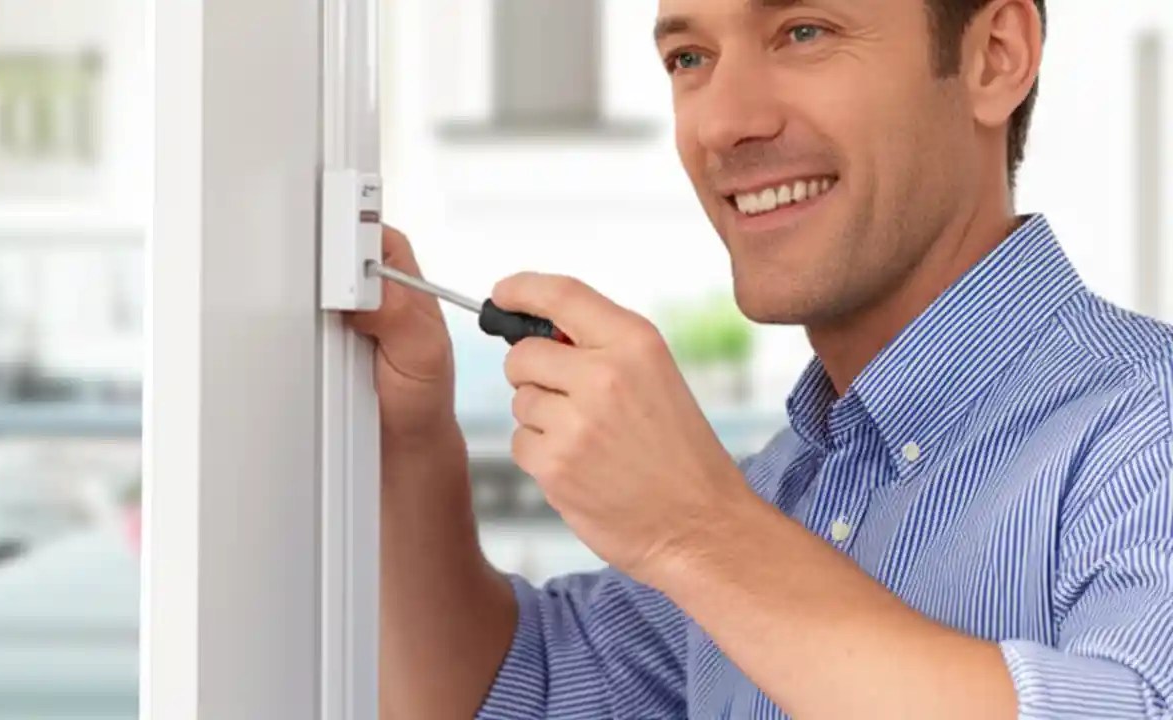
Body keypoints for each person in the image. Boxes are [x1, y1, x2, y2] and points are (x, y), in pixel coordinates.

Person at [348, 0, 1173, 717]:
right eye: (689, 58)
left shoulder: (1147, 423)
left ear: (994, 57)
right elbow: (520, 694)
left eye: (804, 32)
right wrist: (410, 438)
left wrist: (699, 529)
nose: (722, 123)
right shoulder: (781, 494)